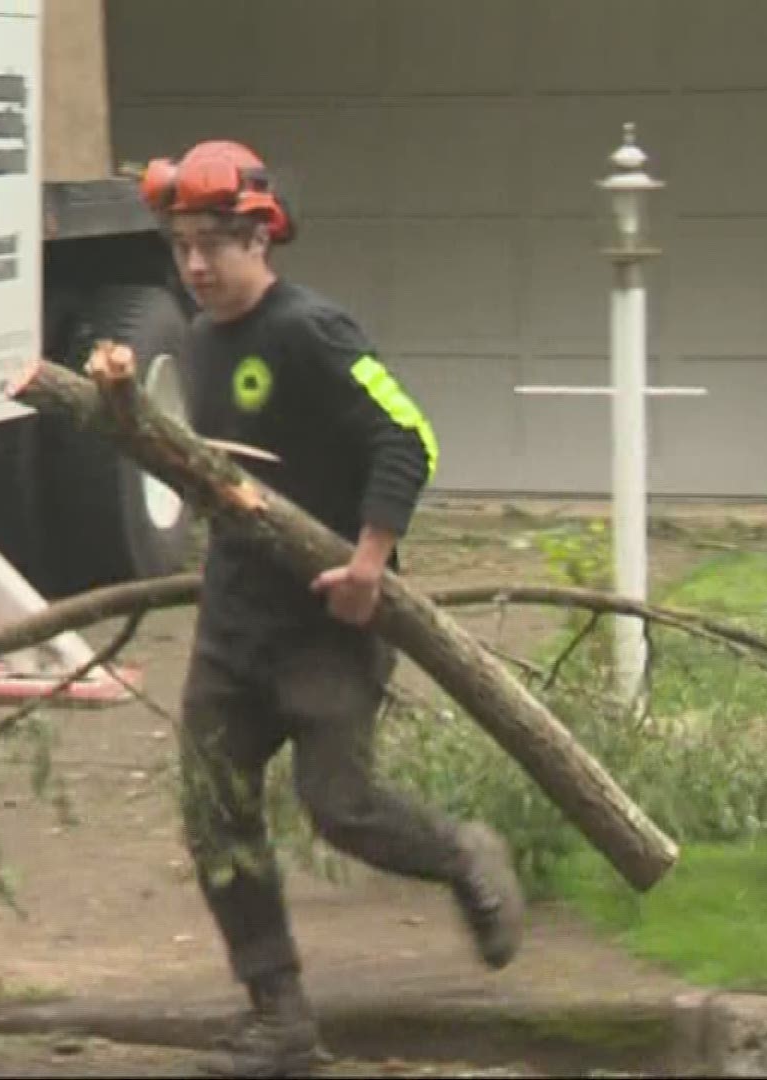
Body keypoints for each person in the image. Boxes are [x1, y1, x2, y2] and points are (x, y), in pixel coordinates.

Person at [139, 139, 527, 1078]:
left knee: (341, 807)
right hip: (234, 628)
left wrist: (368, 564)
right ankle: (281, 1021)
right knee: (214, 813)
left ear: (261, 237)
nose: (195, 266)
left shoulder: (313, 331)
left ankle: (464, 854)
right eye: (183, 245)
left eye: (214, 246)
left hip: (327, 626)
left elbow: (409, 435)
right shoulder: (196, 341)